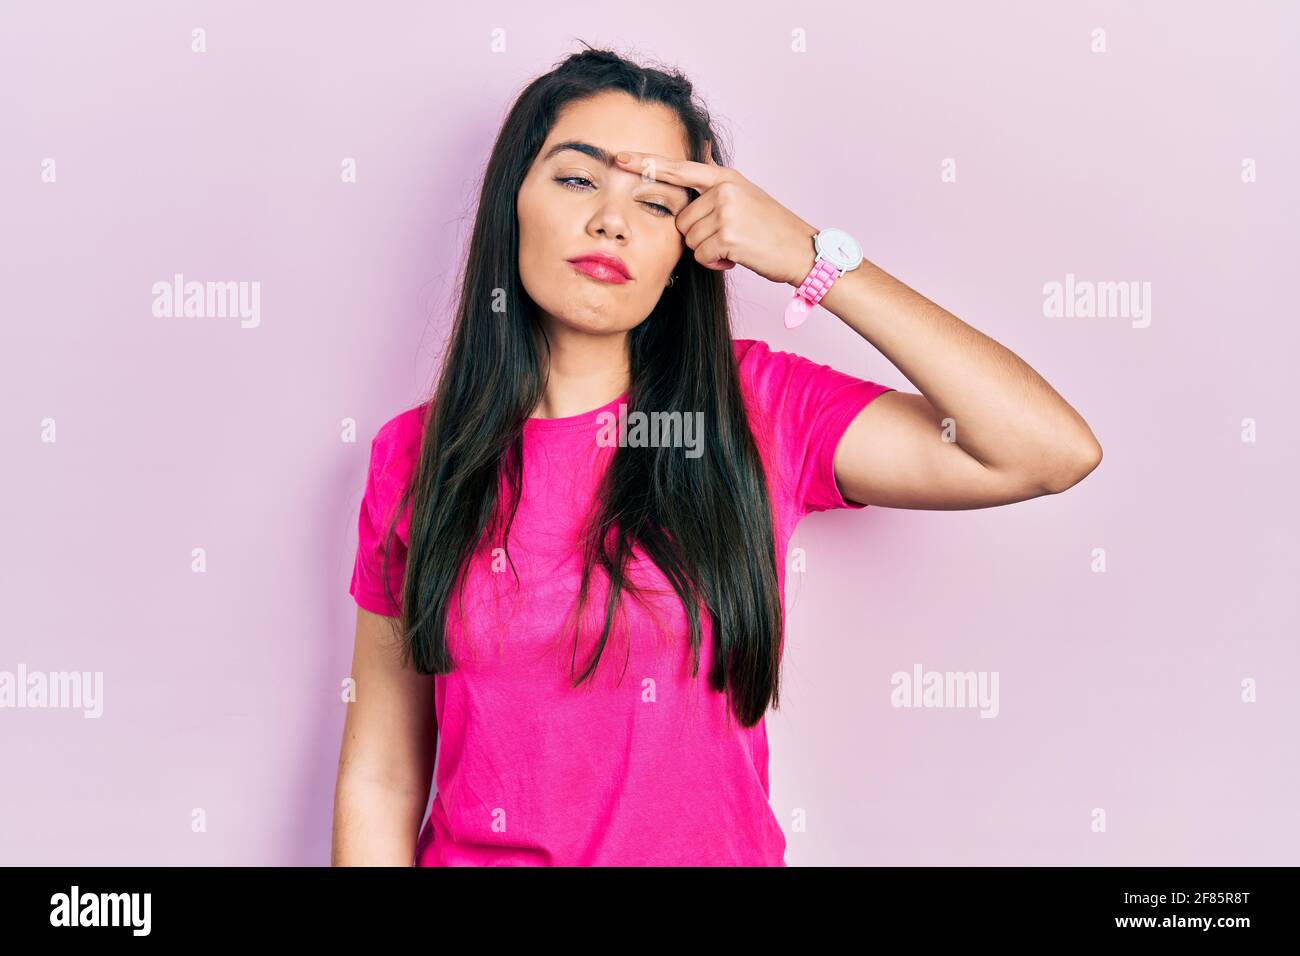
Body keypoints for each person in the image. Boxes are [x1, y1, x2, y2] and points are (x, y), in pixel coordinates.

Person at [331, 46, 1102, 867]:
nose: (612, 222)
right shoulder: (414, 457)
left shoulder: (756, 409)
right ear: (511, 203)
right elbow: (382, 775)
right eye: (577, 179)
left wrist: (814, 257)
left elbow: (1046, 451)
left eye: (658, 202)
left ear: (684, 255)